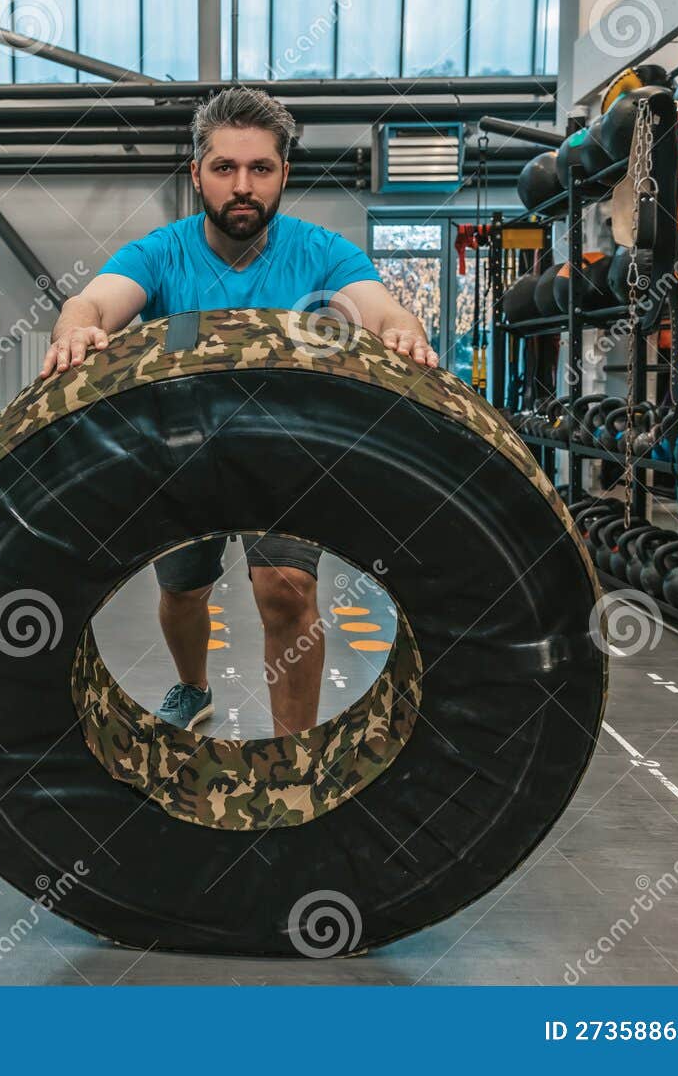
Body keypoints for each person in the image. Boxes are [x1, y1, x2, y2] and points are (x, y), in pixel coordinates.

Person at [38, 86, 435, 737]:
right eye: (224, 168)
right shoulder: (162, 253)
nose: (242, 185)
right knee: (183, 592)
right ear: (197, 174)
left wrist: (403, 330)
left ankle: (292, 751)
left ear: (284, 174)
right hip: (185, 449)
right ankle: (192, 689)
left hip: (285, 452)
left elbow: (383, 306)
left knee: (286, 589)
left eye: (260, 169)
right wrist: (76, 330)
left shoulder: (322, 252)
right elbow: (94, 302)